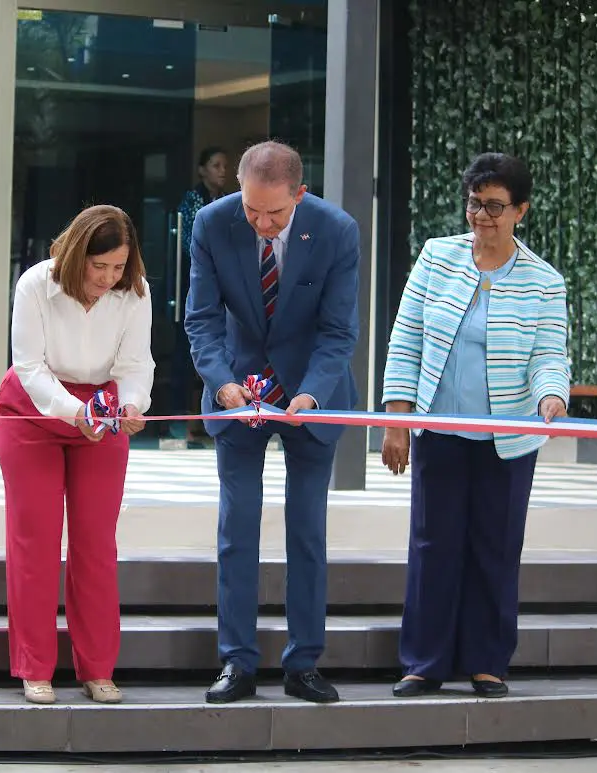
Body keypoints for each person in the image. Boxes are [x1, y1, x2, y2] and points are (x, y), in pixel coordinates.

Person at [381, 152, 570, 699]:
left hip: (507, 441)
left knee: (495, 546)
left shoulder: (544, 280)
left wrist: (551, 395)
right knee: (432, 544)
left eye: (495, 206)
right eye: (474, 203)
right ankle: (424, 662)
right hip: (438, 431)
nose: (482, 216)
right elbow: (406, 340)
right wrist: (397, 423)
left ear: (521, 211)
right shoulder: (436, 258)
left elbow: (549, 355)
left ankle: (488, 662)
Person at [185, 140, 360, 704]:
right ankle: (237, 662)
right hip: (239, 389)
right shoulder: (212, 224)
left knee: (307, 531)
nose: (261, 222)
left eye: (275, 213)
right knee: (238, 529)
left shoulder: (337, 231)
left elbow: (338, 331)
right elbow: (201, 320)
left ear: (300, 195)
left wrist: (311, 393)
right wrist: (221, 382)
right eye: (251, 209)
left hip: (313, 390)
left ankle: (303, 663)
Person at [0, 204, 153, 705]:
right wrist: (72, 411)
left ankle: (97, 667)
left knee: (95, 543)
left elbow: (135, 363)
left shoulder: (135, 292)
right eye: (98, 266)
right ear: (76, 255)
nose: (108, 278)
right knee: (35, 540)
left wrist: (132, 404)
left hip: (103, 411)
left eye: (117, 268)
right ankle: (35, 666)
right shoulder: (35, 285)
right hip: (34, 410)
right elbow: (30, 366)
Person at [168, 147, 229, 445]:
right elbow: (191, 245)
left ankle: (211, 420)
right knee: (187, 356)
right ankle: (182, 423)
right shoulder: (193, 200)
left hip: (222, 292)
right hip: (192, 289)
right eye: (215, 165)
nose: (222, 171)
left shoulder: (229, 201)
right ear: (202, 170)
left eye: (225, 166)